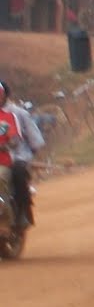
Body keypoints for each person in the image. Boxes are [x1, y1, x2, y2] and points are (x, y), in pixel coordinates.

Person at [0, 80, 44, 228]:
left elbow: (35, 142)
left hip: (19, 156)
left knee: (18, 172)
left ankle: (23, 212)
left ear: (5, 95)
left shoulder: (17, 113)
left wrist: (29, 158)